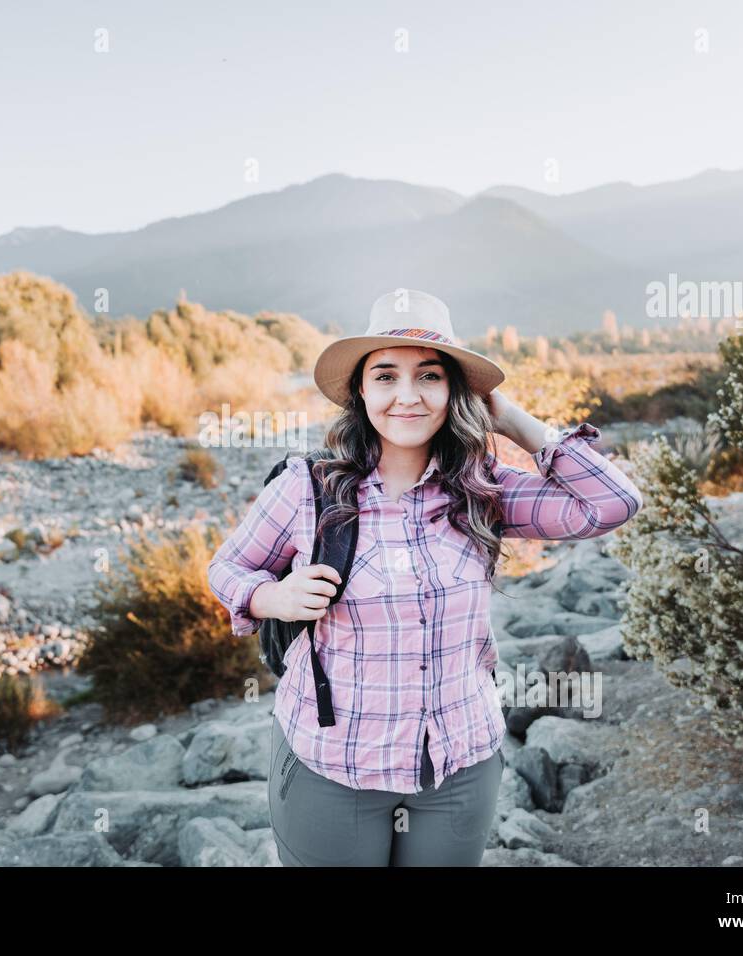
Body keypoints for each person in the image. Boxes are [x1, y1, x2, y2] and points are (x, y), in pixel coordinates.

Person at [207, 289, 645, 866]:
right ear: (361, 392)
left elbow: (612, 503)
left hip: (458, 768)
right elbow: (227, 569)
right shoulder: (306, 489)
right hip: (332, 763)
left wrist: (511, 420)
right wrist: (272, 597)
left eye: (430, 376)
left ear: (454, 392)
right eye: (386, 376)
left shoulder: (483, 490)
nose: (407, 396)